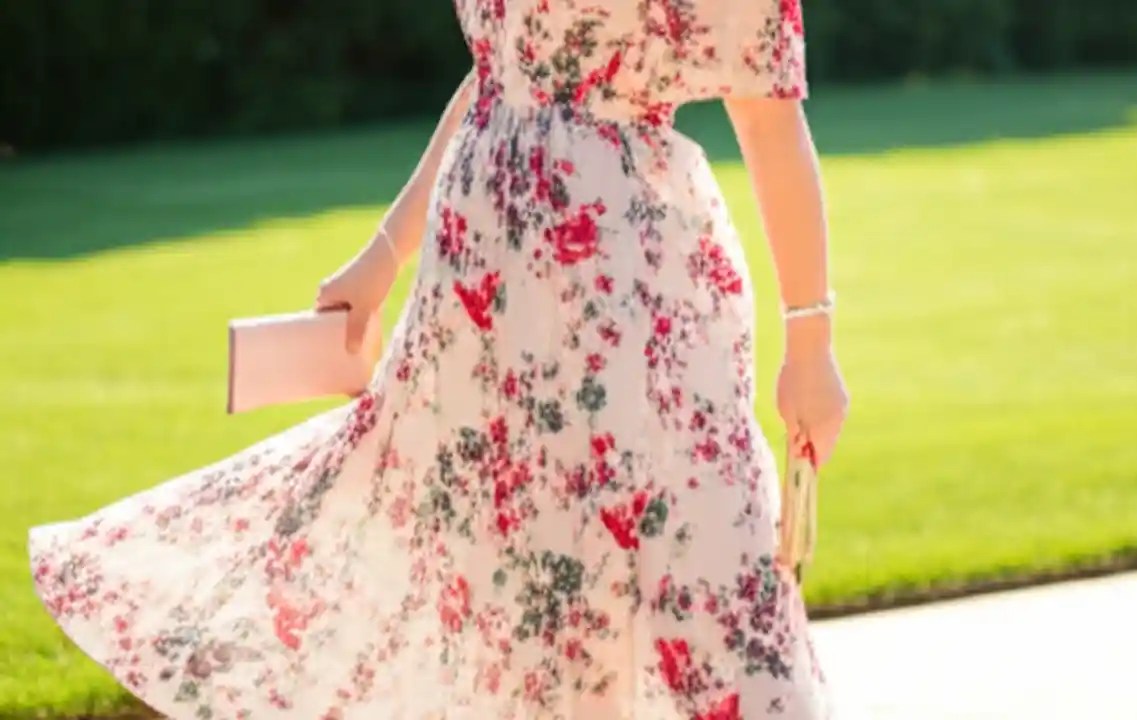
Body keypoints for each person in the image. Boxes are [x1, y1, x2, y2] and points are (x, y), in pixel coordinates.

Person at [28, 0, 849, 717]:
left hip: (622, 293)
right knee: (524, 595)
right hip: (478, 299)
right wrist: (384, 253)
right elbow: (496, 78)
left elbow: (769, 115)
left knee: (690, 575)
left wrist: (810, 342)